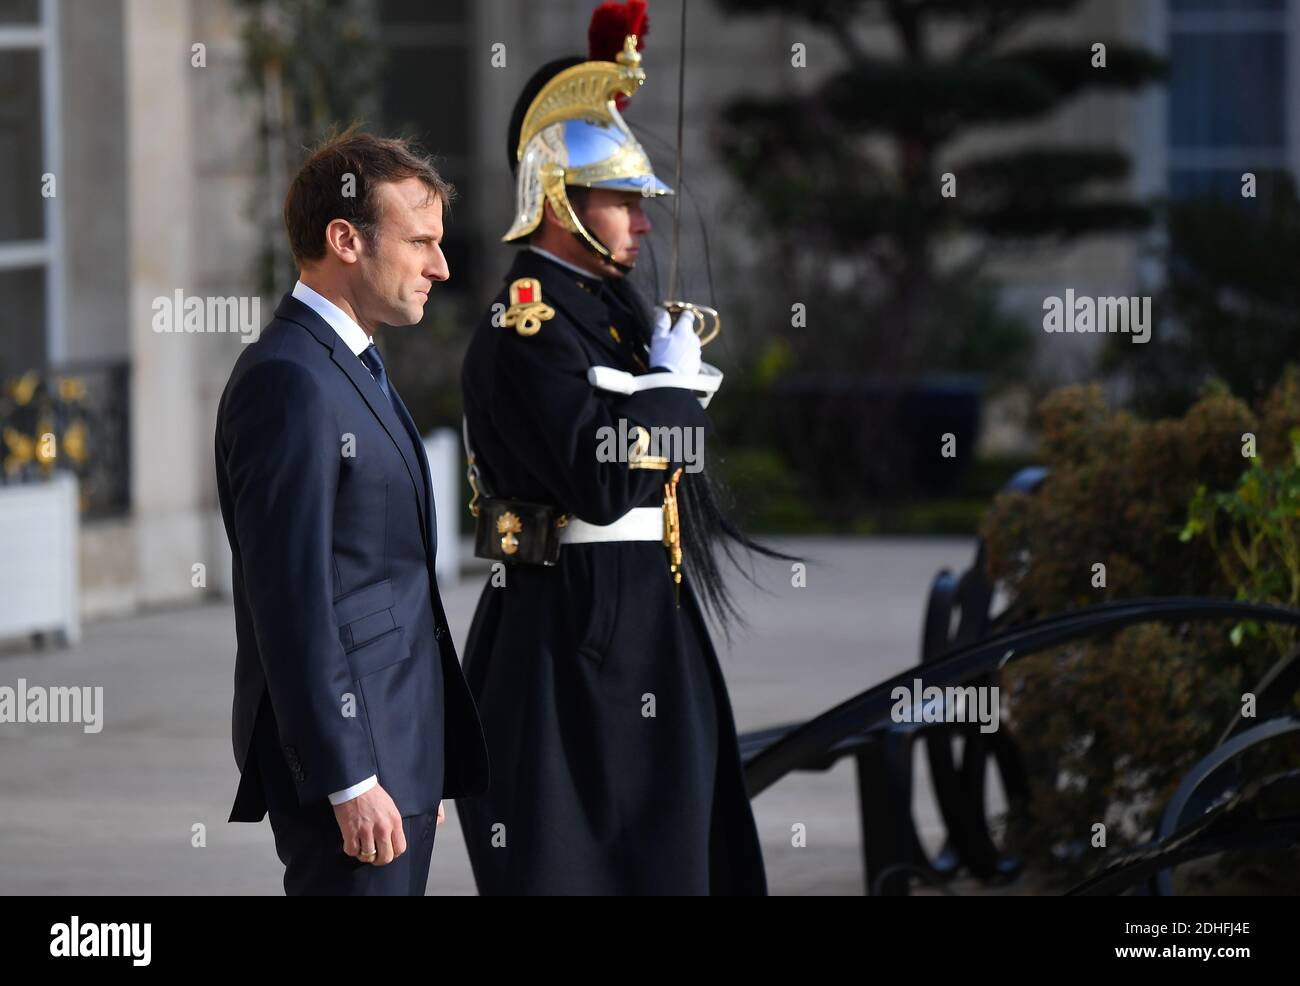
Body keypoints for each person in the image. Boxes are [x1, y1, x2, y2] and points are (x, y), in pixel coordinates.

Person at [456, 0, 769, 895]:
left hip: (643, 623)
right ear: (560, 202)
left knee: (677, 856)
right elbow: (598, 483)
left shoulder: (606, 316)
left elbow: (672, 464)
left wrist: (665, 383)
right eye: (622, 202)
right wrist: (672, 388)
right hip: (572, 634)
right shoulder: (527, 329)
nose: (640, 223)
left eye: (640, 203)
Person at [214, 129, 488, 895]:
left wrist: (408, 760)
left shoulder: (349, 360)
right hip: (357, 765)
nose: (440, 265)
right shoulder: (289, 380)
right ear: (345, 239)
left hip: (397, 746)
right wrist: (348, 779)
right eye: (421, 242)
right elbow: (290, 602)